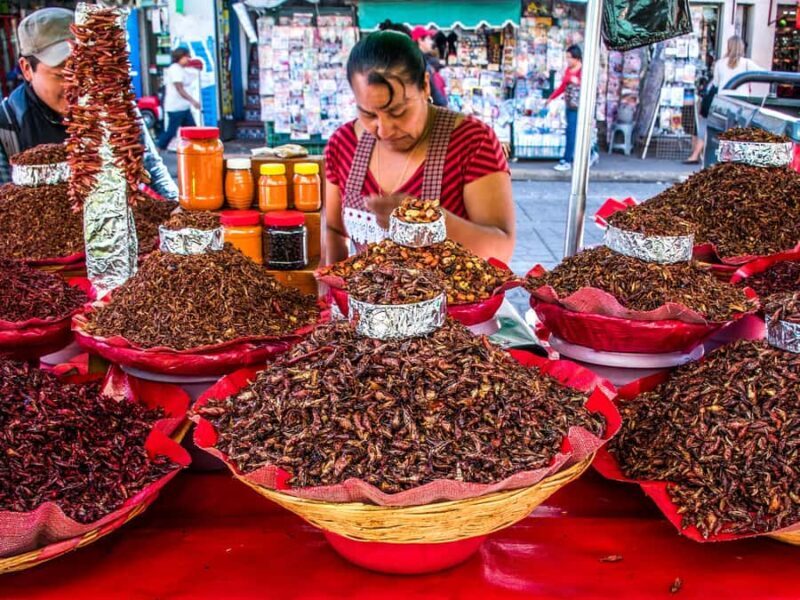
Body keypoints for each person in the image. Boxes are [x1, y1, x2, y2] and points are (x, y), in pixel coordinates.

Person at [324, 31, 515, 263]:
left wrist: (429, 221)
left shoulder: (473, 142)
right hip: (365, 298)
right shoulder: (342, 144)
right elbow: (334, 231)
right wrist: (332, 292)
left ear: (425, 85)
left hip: (455, 299)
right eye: (368, 114)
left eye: (398, 112)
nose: (384, 130)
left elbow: (501, 249)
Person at [0, 7, 177, 199]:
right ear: (27, 69)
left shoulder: (116, 107)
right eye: (62, 74)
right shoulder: (6, 125)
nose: (76, 84)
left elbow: (151, 169)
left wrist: (177, 209)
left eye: (84, 70)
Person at [685, 36, 762, 164]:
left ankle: (709, 158)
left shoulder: (720, 63)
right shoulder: (747, 63)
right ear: (742, 47)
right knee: (738, 135)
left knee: (716, 132)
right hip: (741, 104)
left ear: (728, 46)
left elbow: (715, 83)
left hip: (722, 102)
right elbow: (762, 74)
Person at [547, 45, 583, 172]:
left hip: (579, 107)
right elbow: (563, 86)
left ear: (577, 58)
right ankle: (572, 157)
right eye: (566, 57)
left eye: (569, 57)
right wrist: (551, 97)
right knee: (570, 131)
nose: (567, 60)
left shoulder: (583, 71)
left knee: (572, 132)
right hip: (570, 105)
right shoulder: (569, 69)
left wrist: (576, 80)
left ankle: (567, 160)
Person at [157, 47, 201, 150]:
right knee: (171, 131)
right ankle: (158, 148)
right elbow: (179, 88)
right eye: (186, 57)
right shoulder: (175, 69)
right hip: (175, 107)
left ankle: (194, 150)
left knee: (192, 130)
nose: (188, 59)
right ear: (180, 57)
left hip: (183, 107)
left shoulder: (182, 69)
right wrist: (193, 101)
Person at [411, 26, 448, 107]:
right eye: (428, 39)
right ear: (420, 40)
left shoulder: (420, 59)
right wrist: (444, 104)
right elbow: (433, 91)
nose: (431, 42)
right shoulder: (421, 63)